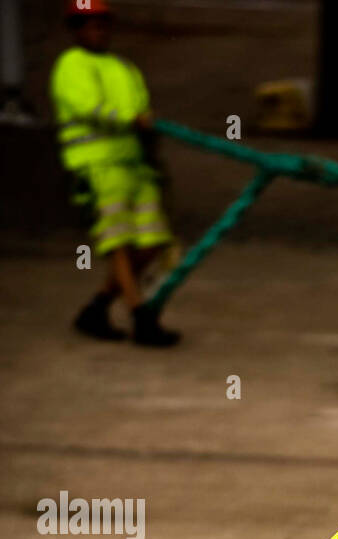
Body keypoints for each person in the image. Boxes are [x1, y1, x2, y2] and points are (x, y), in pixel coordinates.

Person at [50, 0, 179, 346]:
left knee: (152, 243)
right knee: (117, 243)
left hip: (135, 165)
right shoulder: (69, 65)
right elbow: (87, 106)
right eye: (88, 24)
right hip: (97, 165)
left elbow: (143, 111)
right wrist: (129, 118)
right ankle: (141, 317)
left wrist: (150, 147)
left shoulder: (126, 69)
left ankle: (97, 308)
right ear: (75, 30)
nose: (97, 29)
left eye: (101, 23)